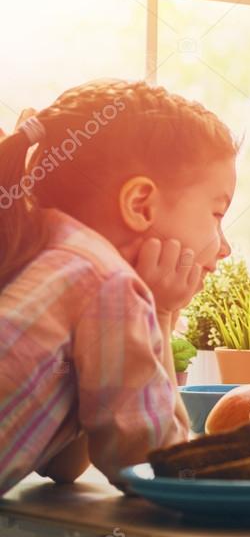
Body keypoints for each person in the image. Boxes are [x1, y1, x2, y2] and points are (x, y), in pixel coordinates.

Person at [0, 78, 237, 494]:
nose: (226, 247)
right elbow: (157, 465)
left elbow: (62, 465)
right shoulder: (105, 282)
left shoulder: (47, 255)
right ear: (140, 204)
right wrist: (160, 314)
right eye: (217, 213)